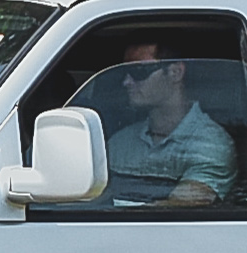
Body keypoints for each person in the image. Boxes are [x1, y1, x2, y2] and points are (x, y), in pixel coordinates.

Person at [96, 41, 231, 207]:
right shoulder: (120, 143)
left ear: (176, 72)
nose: (127, 82)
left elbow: (177, 210)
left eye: (139, 71)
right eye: (124, 73)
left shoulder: (209, 144)